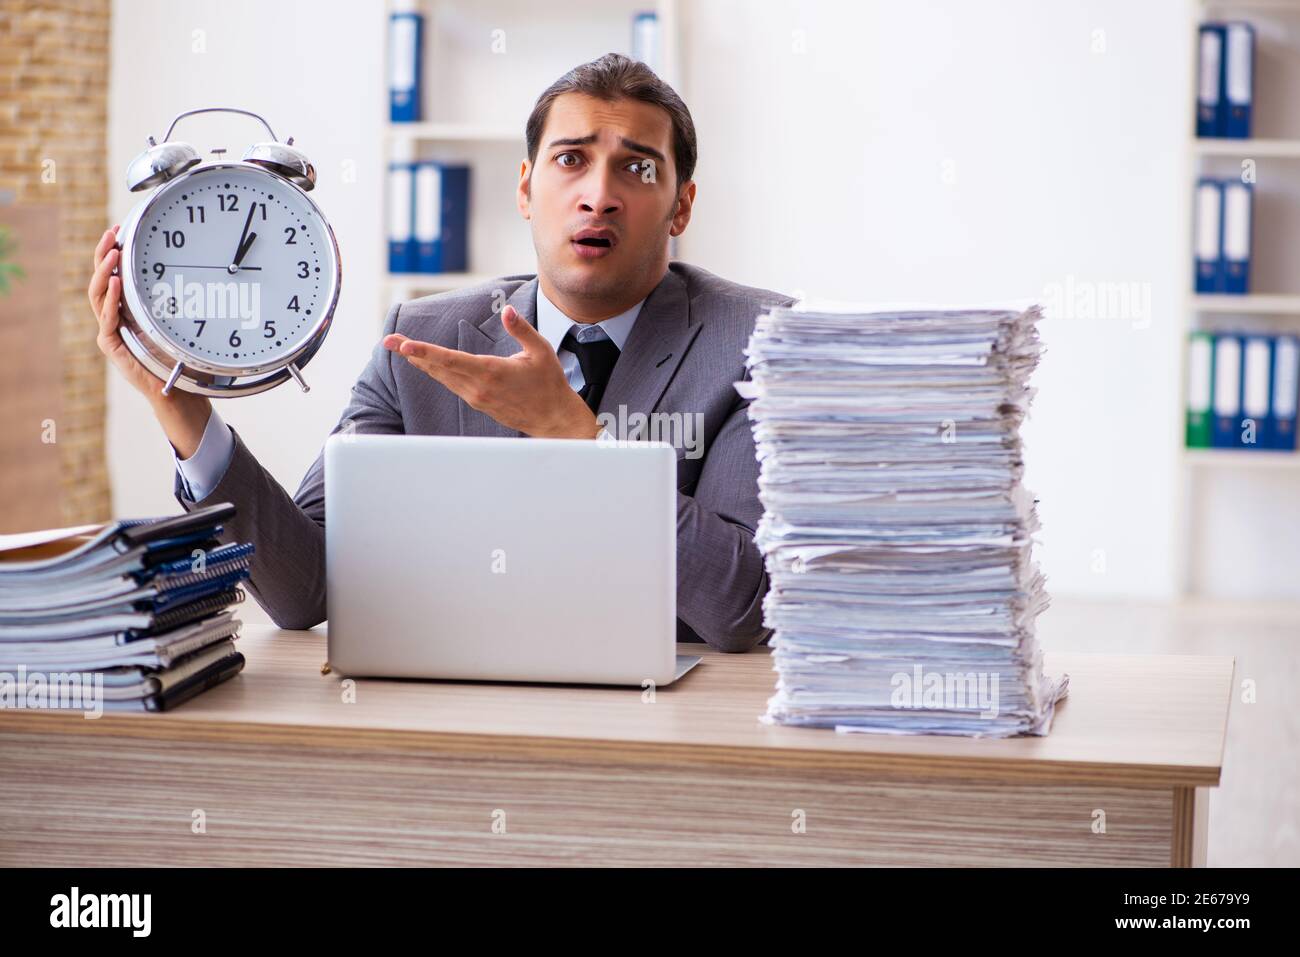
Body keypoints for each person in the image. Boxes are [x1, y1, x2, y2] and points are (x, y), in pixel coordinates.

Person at [87, 53, 792, 652]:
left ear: (681, 206)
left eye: (636, 169)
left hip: (671, 728)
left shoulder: (758, 343)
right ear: (525, 187)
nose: (598, 195)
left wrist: (577, 437)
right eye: (571, 160)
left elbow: (742, 607)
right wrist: (181, 406)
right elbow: (305, 588)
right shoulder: (421, 343)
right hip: (452, 717)